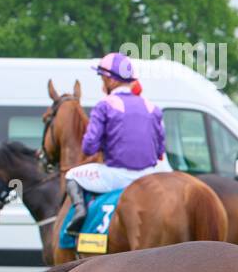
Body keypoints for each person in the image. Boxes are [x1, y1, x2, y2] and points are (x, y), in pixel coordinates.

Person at [64, 53, 167, 238]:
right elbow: (160, 150)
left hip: (117, 176)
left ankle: (80, 215)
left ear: (111, 80)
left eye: (103, 78)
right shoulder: (152, 107)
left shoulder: (105, 105)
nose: (102, 84)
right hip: (149, 176)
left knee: (71, 175)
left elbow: (88, 147)